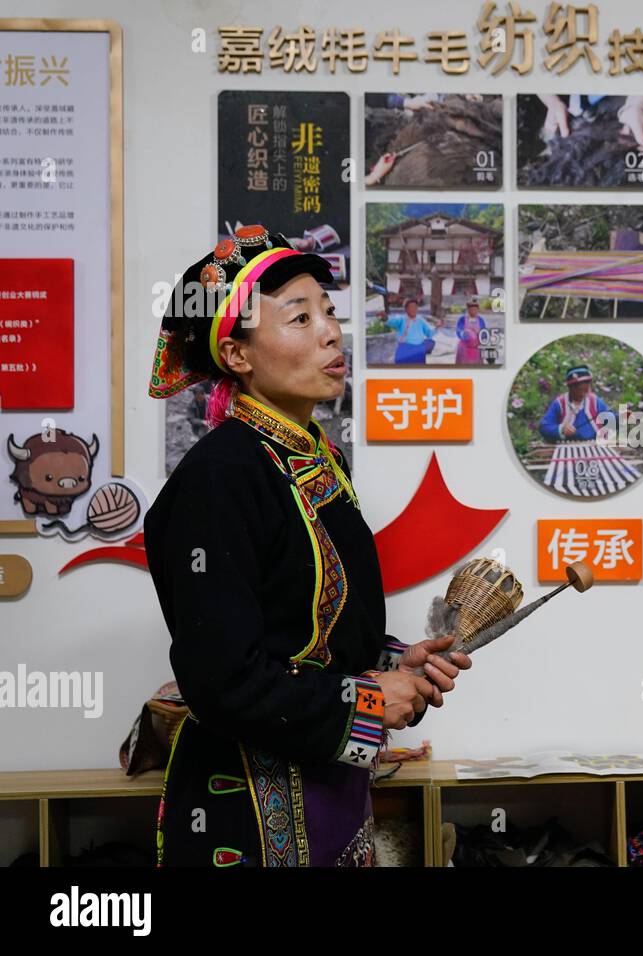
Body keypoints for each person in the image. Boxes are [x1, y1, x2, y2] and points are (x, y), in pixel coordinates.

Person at [144, 225, 471, 866]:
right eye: (300, 317)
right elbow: (221, 679)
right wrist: (370, 700)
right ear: (238, 357)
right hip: (245, 811)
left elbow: (305, 629)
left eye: (328, 311)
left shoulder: (317, 460)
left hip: (330, 788)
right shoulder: (220, 477)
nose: (330, 331)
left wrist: (397, 663)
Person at [538, 365, 612, 441]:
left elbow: (610, 420)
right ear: (570, 388)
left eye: (586, 390)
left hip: (594, 446)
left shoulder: (596, 402)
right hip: (566, 447)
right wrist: (561, 429)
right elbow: (544, 427)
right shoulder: (559, 403)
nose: (582, 394)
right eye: (579, 390)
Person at [385, 296, 437, 364]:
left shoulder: (421, 320)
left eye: (415, 307)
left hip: (419, 350)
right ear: (406, 309)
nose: (414, 309)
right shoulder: (401, 319)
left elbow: (429, 332)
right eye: (411, 307)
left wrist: (437, 327)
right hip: (405, 350)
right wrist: (385, 318)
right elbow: (392, 321)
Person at [455, 298, 486, 365]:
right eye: (471, 309)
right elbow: (459, 330)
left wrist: (480, 335)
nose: (473, 311)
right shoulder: (462, 319)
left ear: (477, 310)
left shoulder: (480, 320)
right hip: (464, 347)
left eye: (475, 309)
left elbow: (484, 333)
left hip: (476, 346)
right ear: (468, 310)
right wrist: (464, 334)